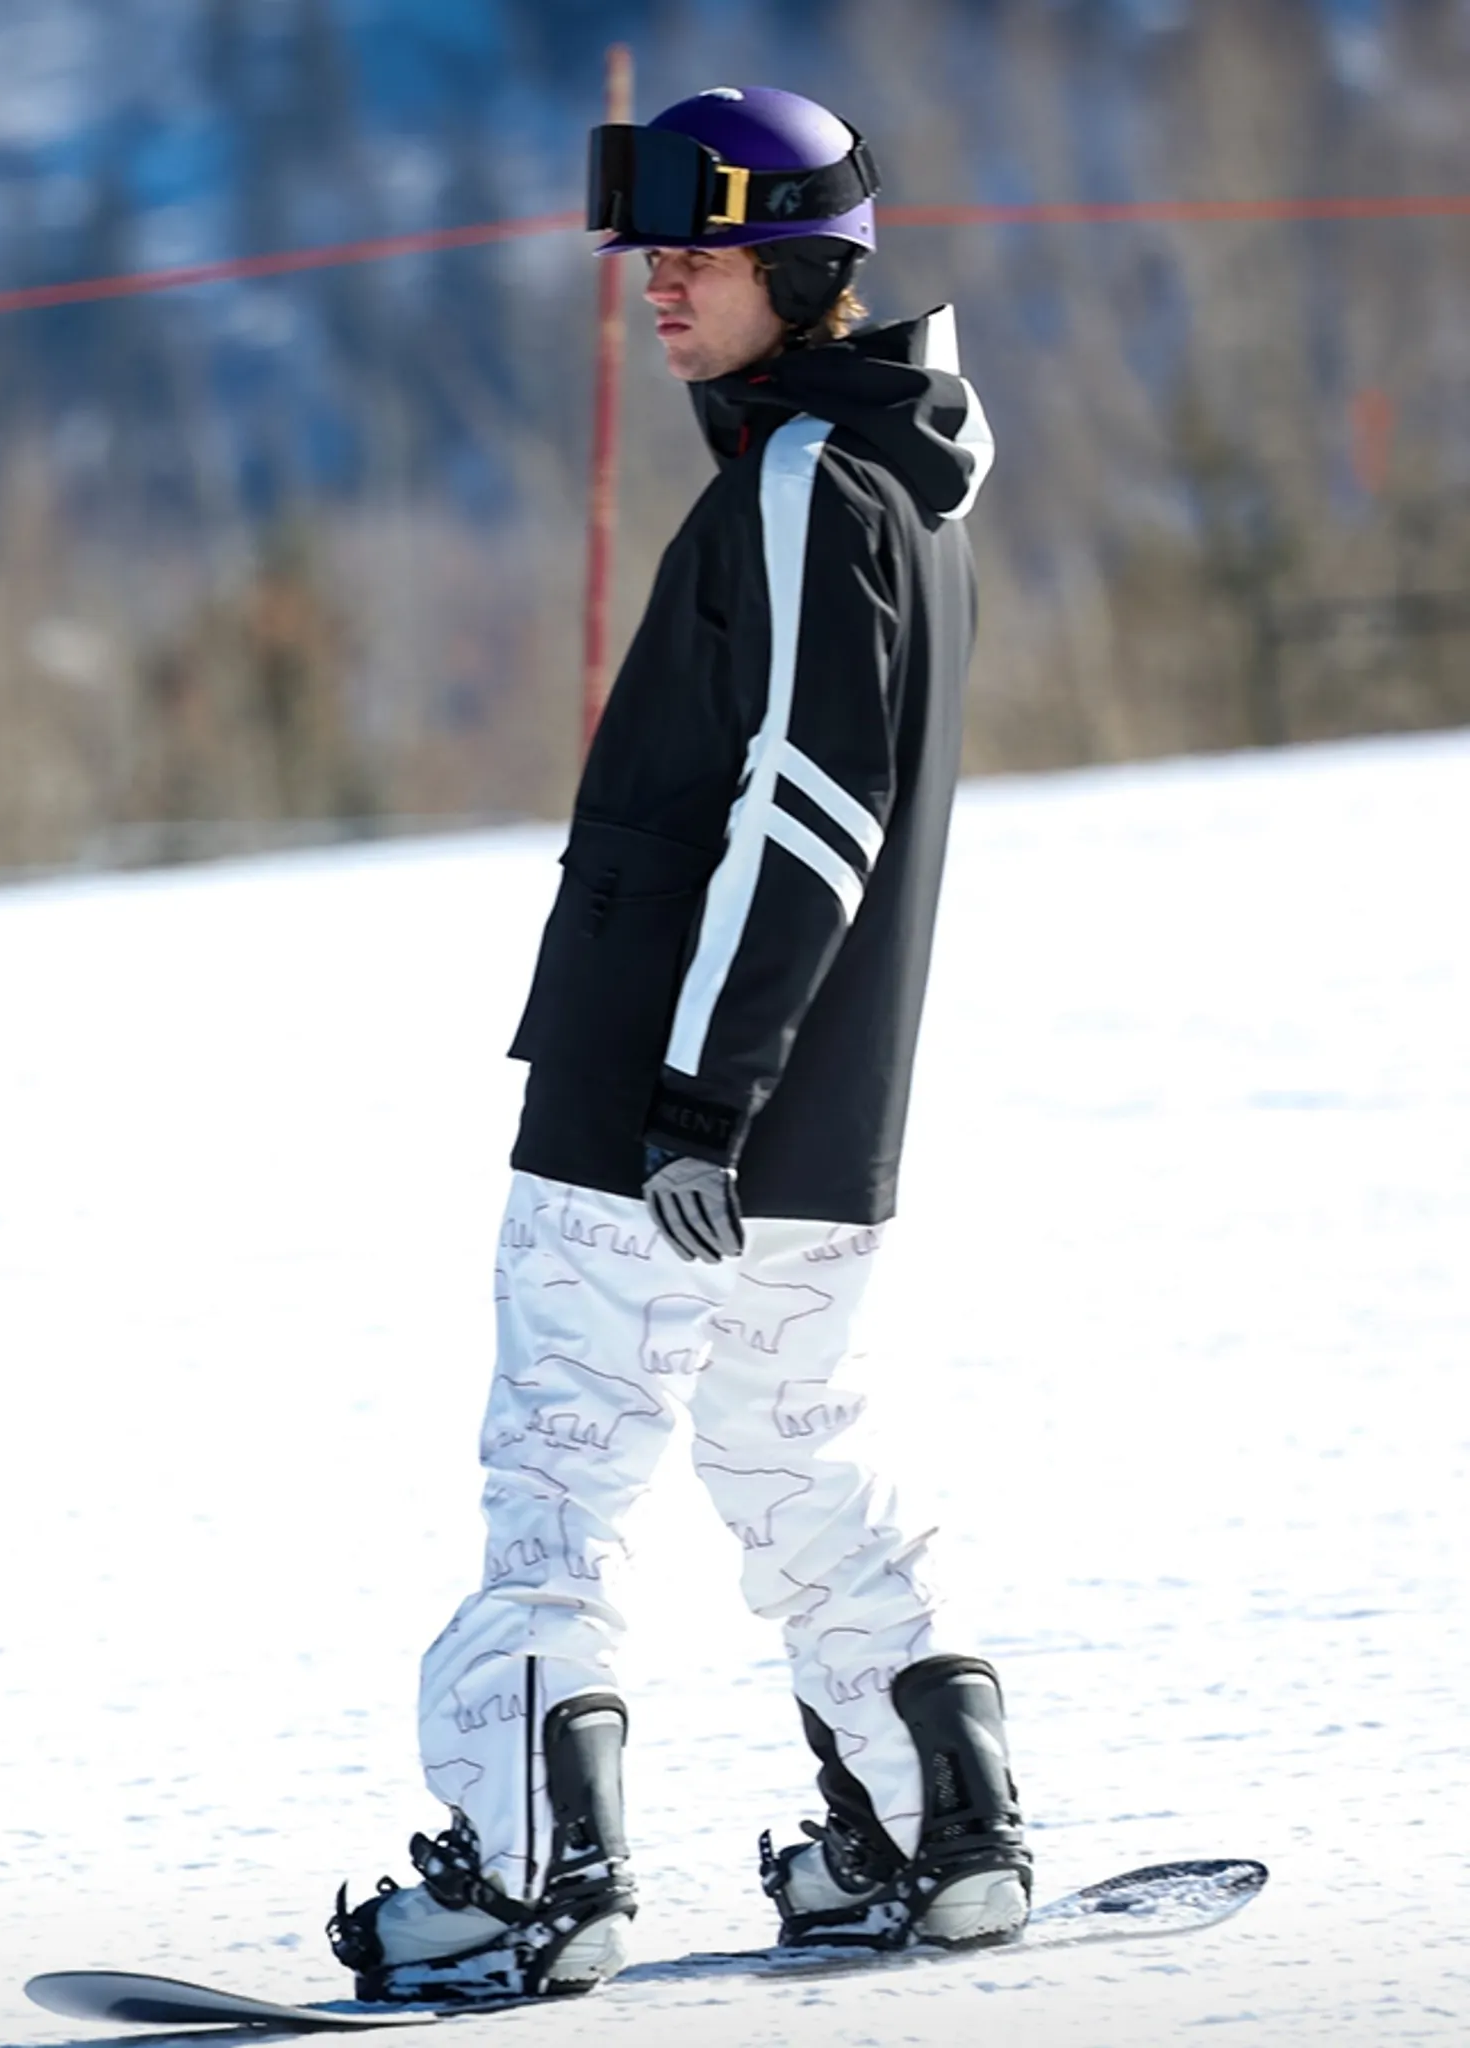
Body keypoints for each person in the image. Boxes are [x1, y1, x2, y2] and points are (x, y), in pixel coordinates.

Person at [328, 84, 1026, 2004]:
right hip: (813, 1123)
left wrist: (692, 1103)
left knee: (560, 1482)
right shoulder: (889, 477)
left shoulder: (806, 482)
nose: (659, 290)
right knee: (798, 1458)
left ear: (807, 271)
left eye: (700, 254)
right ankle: (930, 1831)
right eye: (652, 256)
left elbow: (809, 807)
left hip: (670, 1108)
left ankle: (530, 1879)